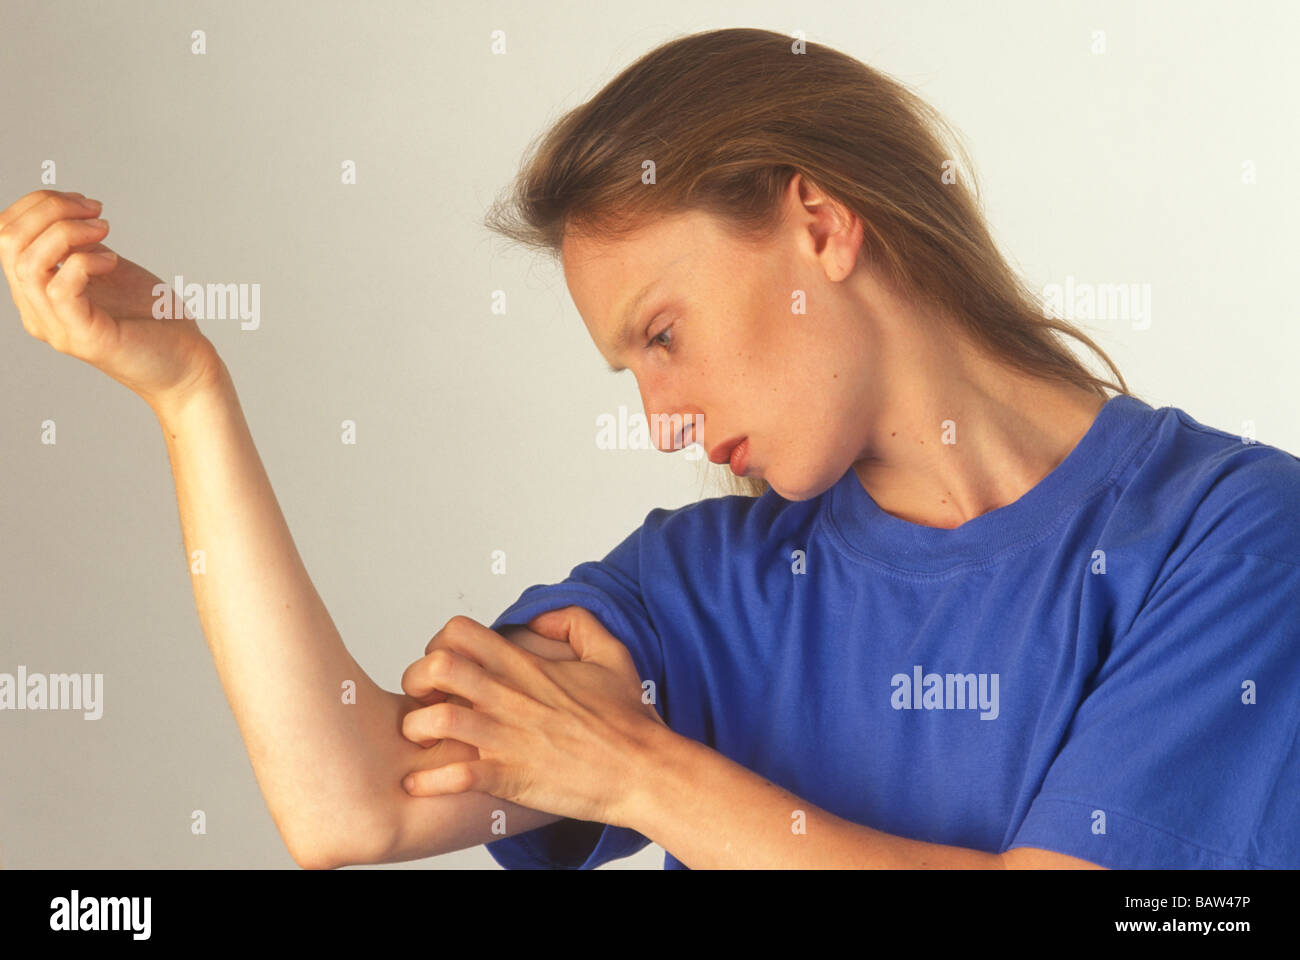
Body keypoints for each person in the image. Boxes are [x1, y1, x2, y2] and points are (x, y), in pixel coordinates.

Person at [4, 27, 1296, 870]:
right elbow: (354, 801)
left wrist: (635, 771)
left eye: (664, 333)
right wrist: (192, 397)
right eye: (630, 371)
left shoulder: (1234, 535)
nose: (660, 419)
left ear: (819, 226)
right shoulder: (699, 588)